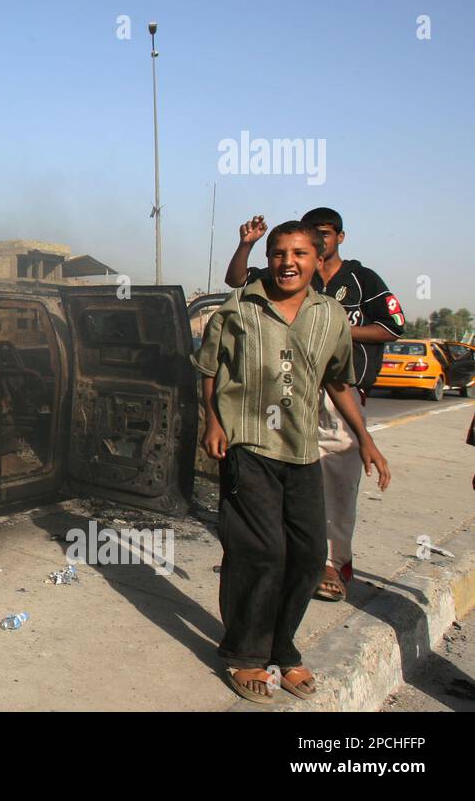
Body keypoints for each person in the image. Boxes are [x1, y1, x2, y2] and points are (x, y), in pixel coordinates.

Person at [196, 220, 390, 703]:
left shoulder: (330, 316)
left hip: (302, 453)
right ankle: (246, 655)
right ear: (270, 256)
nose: (288, 262)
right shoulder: (240, 306)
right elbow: (210, 368)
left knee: (306, 557)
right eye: (279, 252)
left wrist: (364, 437)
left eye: (299, 253)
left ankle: (282, 646)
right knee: (260, 554)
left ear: (316, 257)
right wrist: (213, 422)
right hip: (249, 446)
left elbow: (338, 381)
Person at [224, 208, 405, 601]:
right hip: (286, 389)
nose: (317, 241)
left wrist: (332, 327)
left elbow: (393, 326)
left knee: (339, 475)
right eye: (311, 234)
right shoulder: (285, 272)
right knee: (286, 473)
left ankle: (333, 563)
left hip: (338, 386)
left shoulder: (359, 280)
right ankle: (291, 555)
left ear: (340, 237)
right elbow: (236, 281)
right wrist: (246, 244)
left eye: (324, 234)